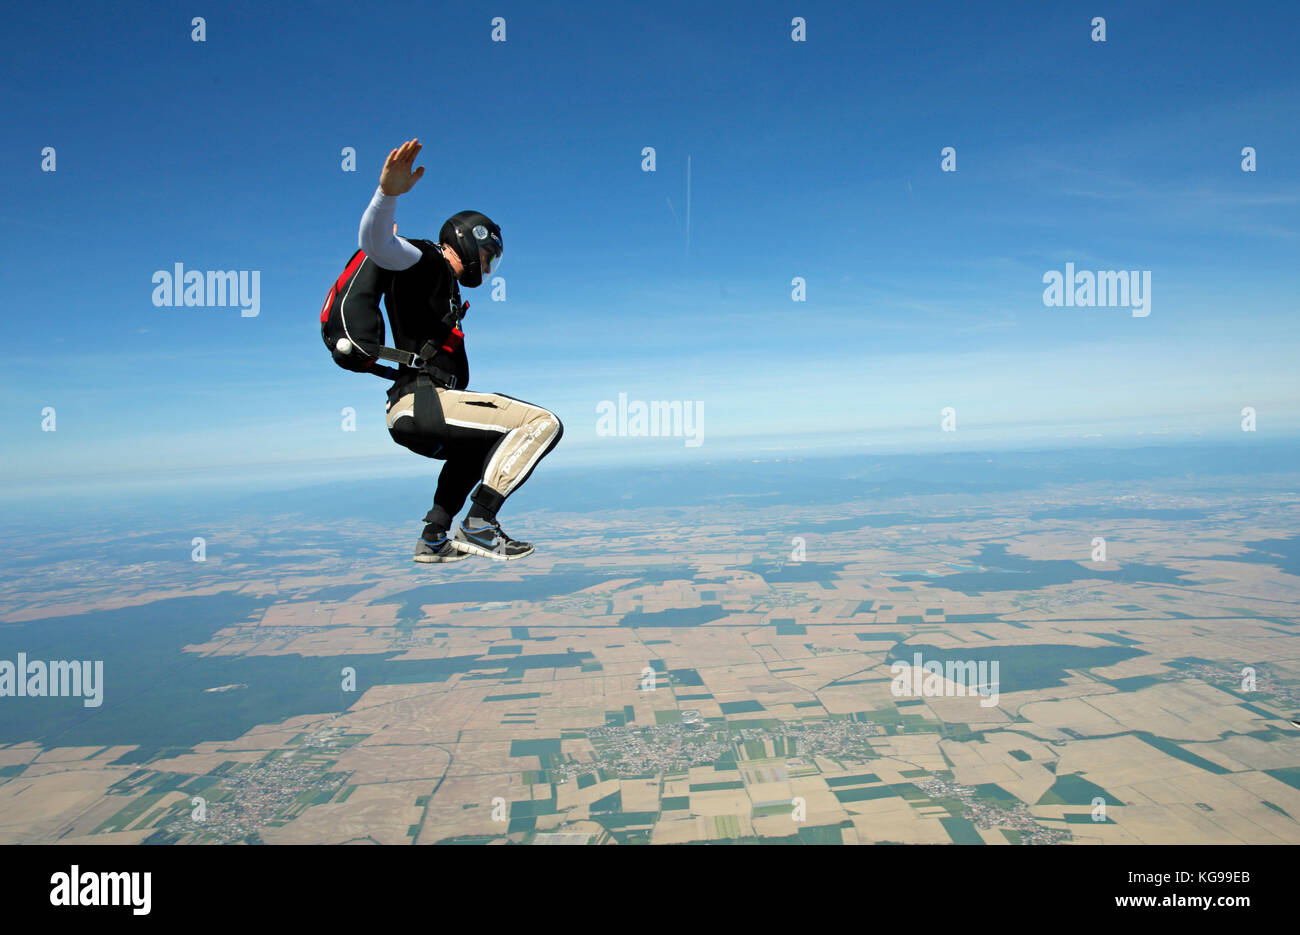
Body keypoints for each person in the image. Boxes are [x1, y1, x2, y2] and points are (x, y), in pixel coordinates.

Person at [352, 139, 563, 562]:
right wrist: (387, 195)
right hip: (422, 402)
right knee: (542, 424)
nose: (486, 268)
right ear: (467, 240)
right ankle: (480, 522)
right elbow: (377, 244)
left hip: (416, 411)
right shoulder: (426, 260)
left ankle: (433, 536)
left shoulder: (439, 283)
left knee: (480, 448)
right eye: (486, 257)